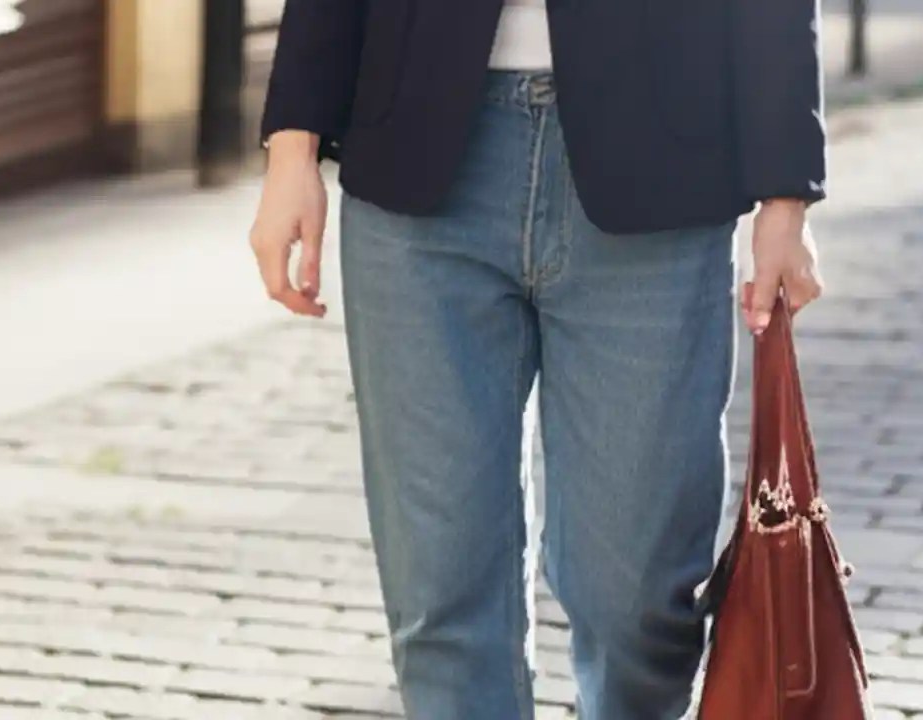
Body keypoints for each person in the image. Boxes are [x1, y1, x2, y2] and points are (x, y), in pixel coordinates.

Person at [251, 1, 827, 717]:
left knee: (638, 600)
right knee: (441, 594)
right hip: (415, 160)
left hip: (662, 163)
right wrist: (292, 146)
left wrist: (786, 193)